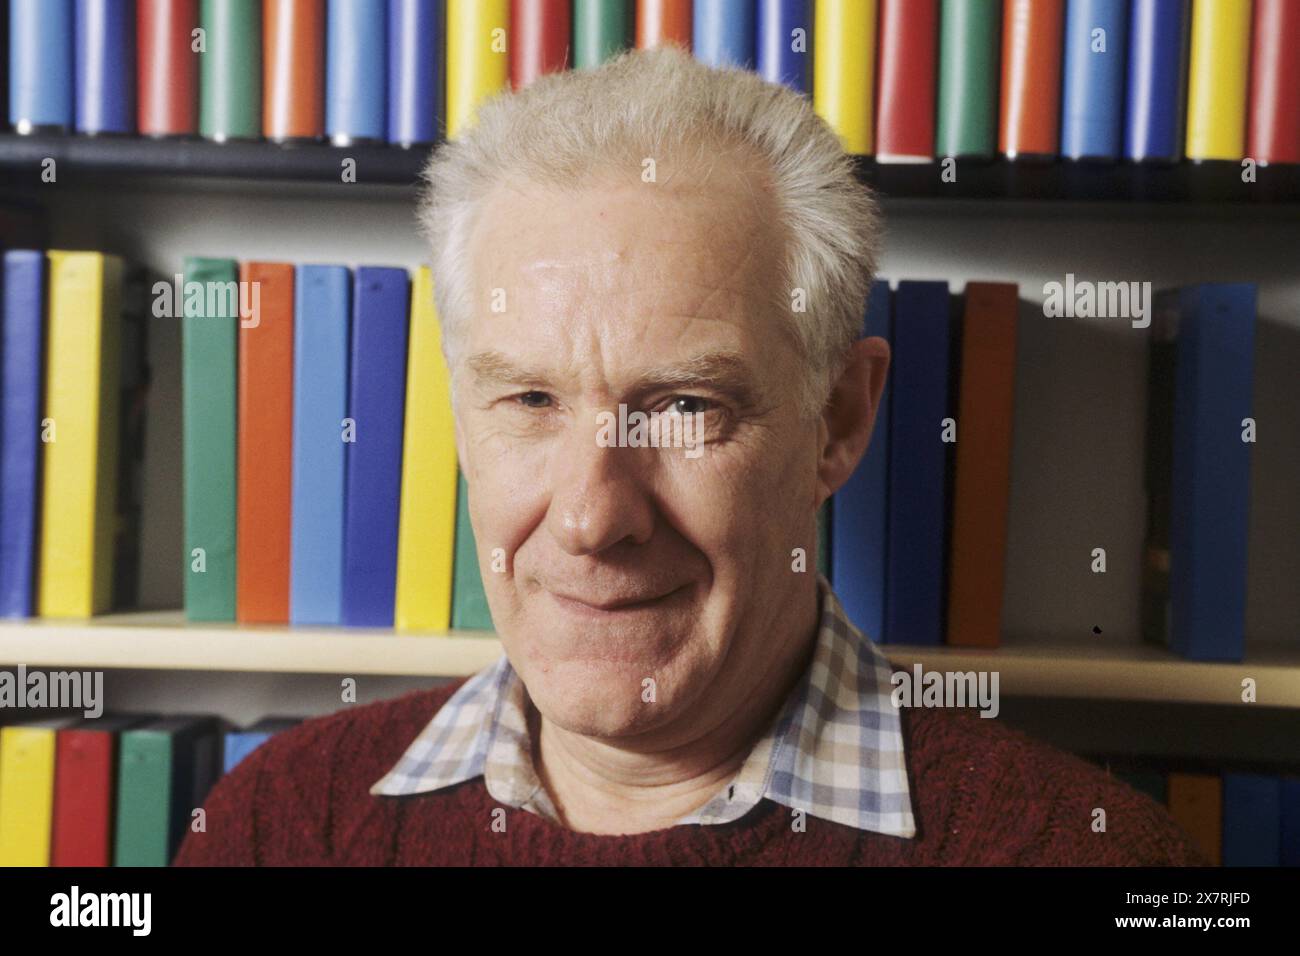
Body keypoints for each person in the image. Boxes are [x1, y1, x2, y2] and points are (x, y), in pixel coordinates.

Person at [175, 46, 1204, 866]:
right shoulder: (280, 820)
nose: (590, 516)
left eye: (682, 405)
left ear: (836, 421)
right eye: (530, 398)